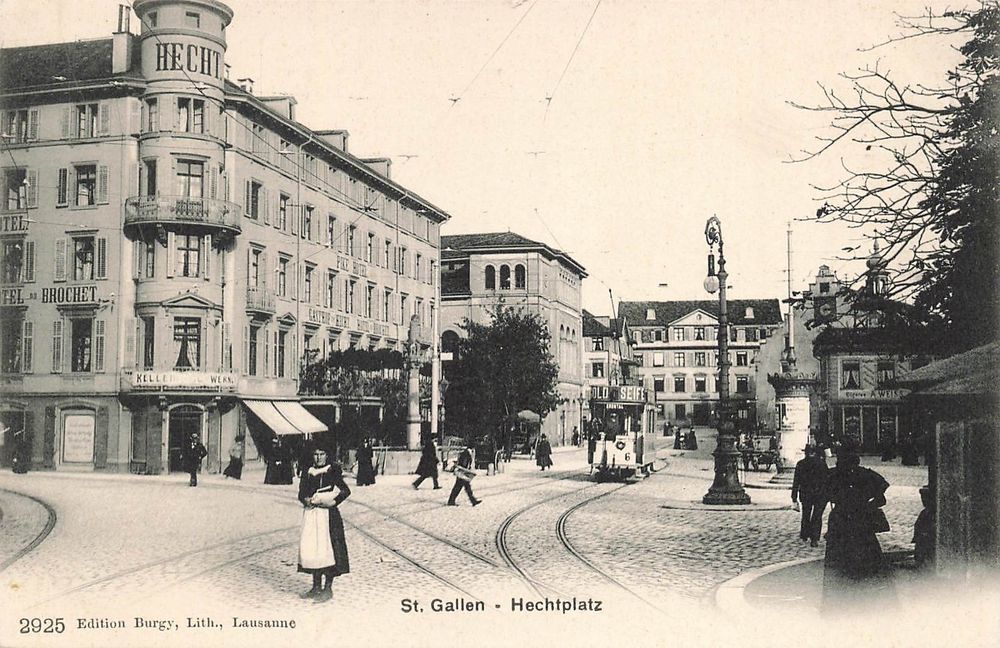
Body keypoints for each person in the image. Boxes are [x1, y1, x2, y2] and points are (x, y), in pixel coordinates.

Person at [822, 442, 892, 611]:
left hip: (840, 522)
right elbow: (881, 499)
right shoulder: (866, 475)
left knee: (838, 564)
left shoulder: (832, 476)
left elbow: (823, 496)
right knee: (867, 562)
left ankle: (837, 604)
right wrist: (866, 505)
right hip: (862, 521)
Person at [297, 447, 350, 603]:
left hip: (328, 516)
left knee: (327, 549)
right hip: (312, 515)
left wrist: (333, 502)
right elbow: (301, 492)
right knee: (313, 548)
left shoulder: (332, 471)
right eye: (316, 454)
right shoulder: (308, 471)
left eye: (322, 454)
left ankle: (328, 588)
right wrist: (304, 499)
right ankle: (315, 587)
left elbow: (345, 491)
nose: (319, 458)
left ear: (327, 455)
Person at [792, 445, 830, 547]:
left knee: (806, 514)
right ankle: (814, 538)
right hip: (819, 494)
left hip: (807, 494)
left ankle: (805, 534)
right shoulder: (821, 464)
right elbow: (828, 480)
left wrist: (794, 497)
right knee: (816, 516)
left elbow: (796, 482)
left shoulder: (801, 464)